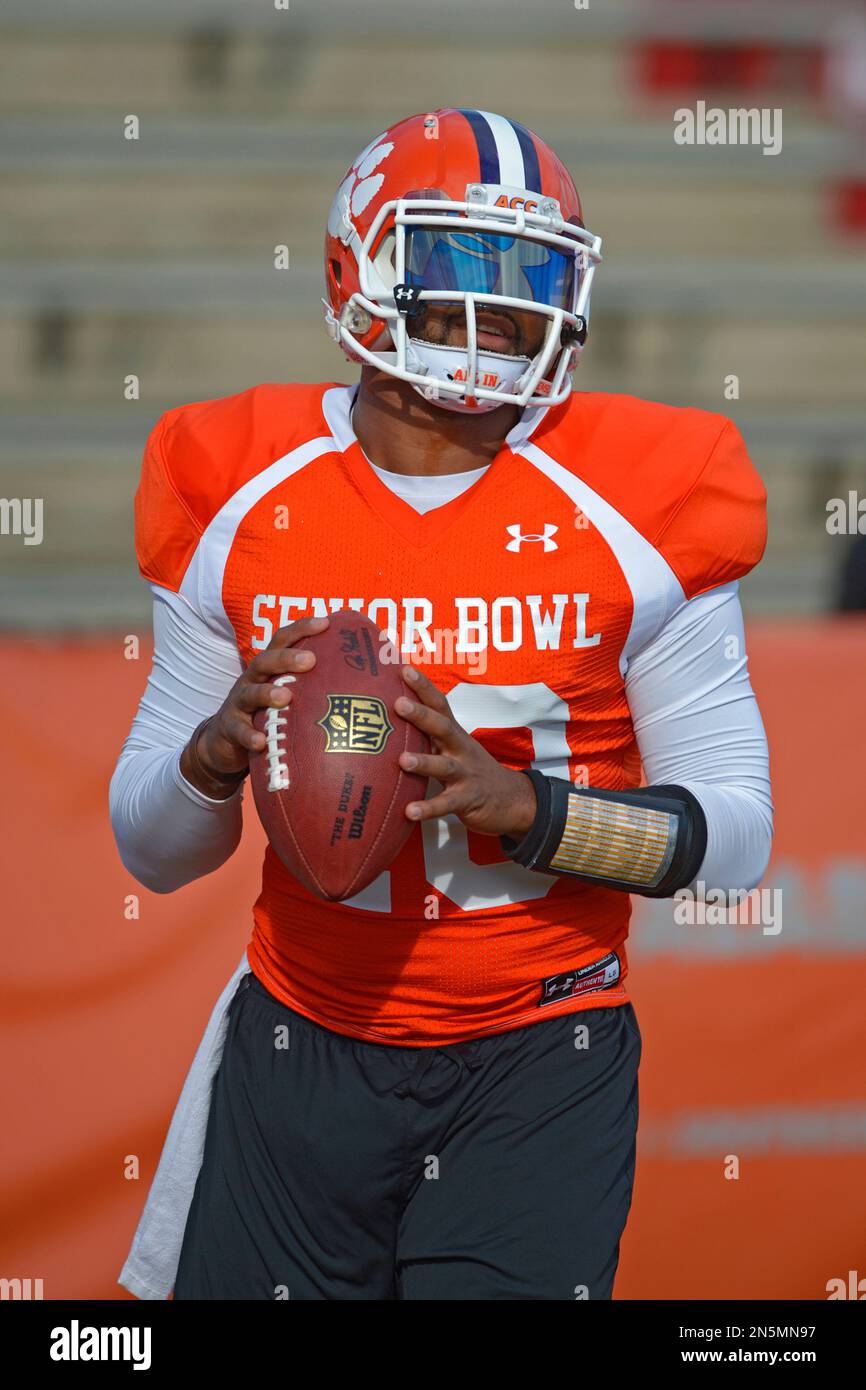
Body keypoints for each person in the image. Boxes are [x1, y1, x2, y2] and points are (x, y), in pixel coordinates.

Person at [111, 108, 773, 1301]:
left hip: (539, 1055)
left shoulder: (639, 491)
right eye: (457, 265)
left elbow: (734, 838)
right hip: (298, 1043)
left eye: (530, 273)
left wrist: (531, 810)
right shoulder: (235, 484)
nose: (498, 307)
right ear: (356, 268)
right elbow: (152, 854)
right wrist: (212, 756)